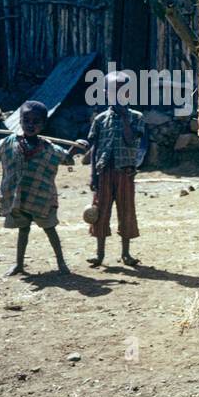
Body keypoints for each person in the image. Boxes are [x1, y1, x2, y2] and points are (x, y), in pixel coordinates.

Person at [0, 102, 89, 278]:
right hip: (18, 197)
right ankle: (19, 264)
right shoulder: (9, 141)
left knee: (50, 228)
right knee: (23, 229)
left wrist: (76, 147)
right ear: (19, 121)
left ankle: (61, 263)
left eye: (36, 121)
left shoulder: (48, 147)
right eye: (26, 120)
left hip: (41, 197)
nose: (30, 125)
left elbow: (65, 158)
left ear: (43, 124)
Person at [86, 71, 147, 267]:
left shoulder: (136, 117)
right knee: (100, 212)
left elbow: (131, 141)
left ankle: (126, 253)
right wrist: (93, 175)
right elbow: (94, 149)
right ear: (105, 93)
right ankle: (100, 254)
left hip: (125, 172)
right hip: (104, 172)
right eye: (113, 92)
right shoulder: (100, 119)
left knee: (126, 211)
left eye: (123, 92)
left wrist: (125, 119)